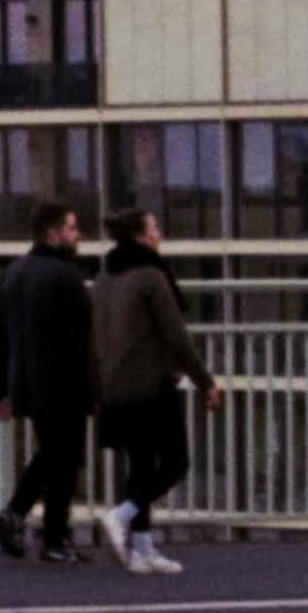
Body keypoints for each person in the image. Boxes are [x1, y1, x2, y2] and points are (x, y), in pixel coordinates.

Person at [90, 208, 216, 576]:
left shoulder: (105, 278)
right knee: (176, 463)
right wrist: (206, 380)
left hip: (115, 387)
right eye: (154, 227)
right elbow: (177, 337)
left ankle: (142, 551)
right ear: (141, 236)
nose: (159, 233)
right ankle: (121, 515)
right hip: (152, 385)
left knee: (141, 465)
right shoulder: (152, 277)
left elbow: (93, 338)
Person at [0, 200, 95, 562]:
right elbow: (82, 339)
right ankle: (51, 537)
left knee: (53, 453)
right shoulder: (67, 277)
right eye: (72, 228)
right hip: (64, 382)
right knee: (62, 458)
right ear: (53, 233)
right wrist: (94, 386)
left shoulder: (11, 274)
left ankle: (24, 519)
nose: (78, 236)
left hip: (25, 384)